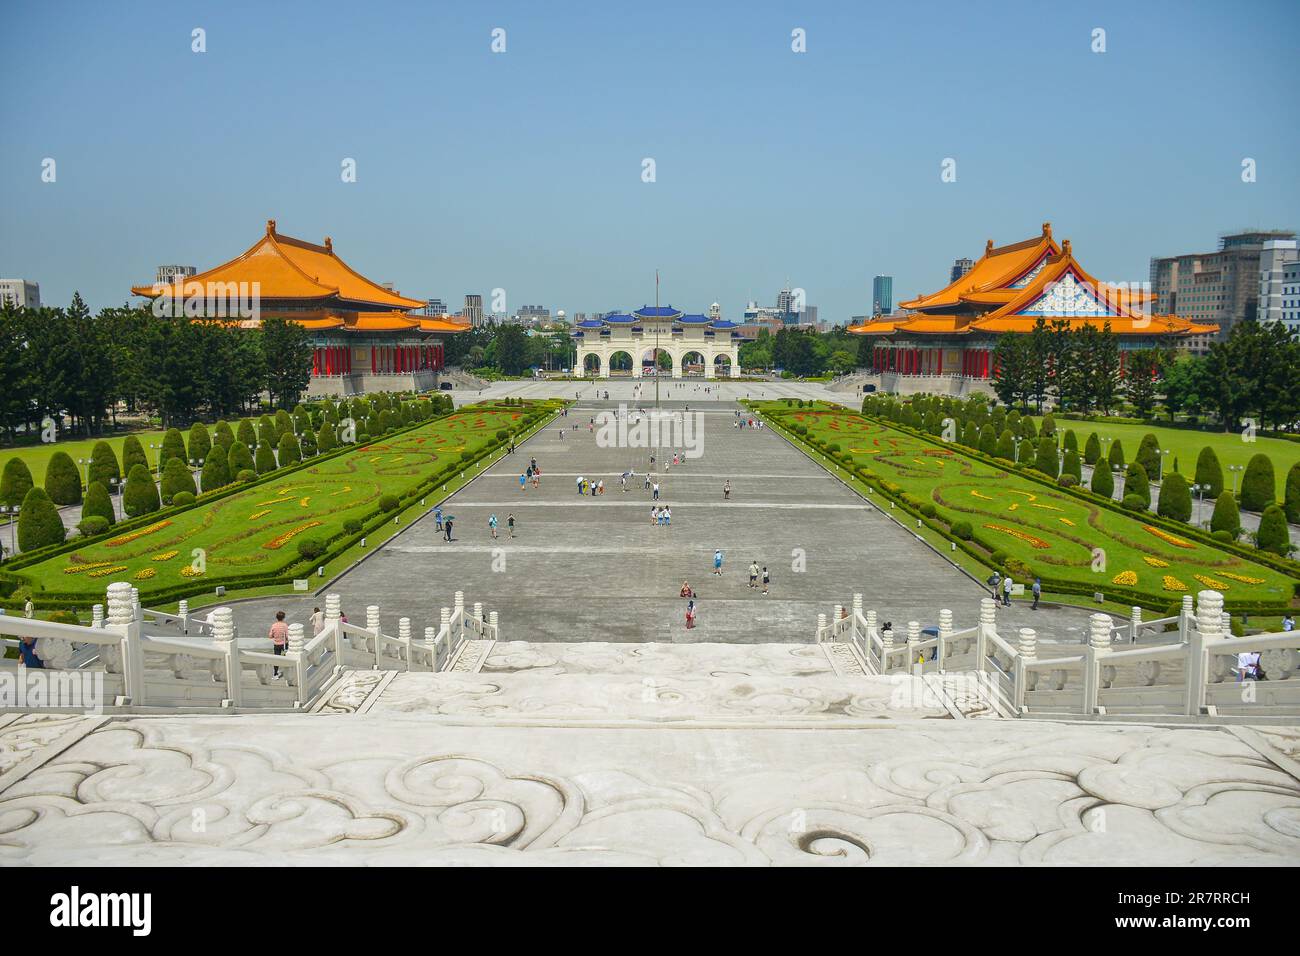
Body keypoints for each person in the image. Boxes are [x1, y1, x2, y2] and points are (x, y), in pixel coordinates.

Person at [269, 610, 289, 678]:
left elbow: (270, 636)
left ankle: (275, 673)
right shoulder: (285, 625)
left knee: (276, 658)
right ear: (283, 617)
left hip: (276, 645)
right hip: (284, 645)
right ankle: (287, 672)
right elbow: (287, 636)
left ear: (276, 617)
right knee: (285, 658)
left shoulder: (274, 625)